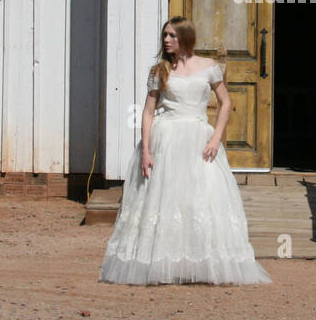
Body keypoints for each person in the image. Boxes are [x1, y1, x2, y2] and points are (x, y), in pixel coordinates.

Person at [100, 16, 271, 285]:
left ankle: (200, 263)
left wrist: (216, 138)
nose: (166, 40)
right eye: (165, 35)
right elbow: (147, 112)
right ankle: (161, 263)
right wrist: (146, 150)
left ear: (185, 38)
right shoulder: (160, 71)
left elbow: (225, 103)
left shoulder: (209, 67)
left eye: (172, 36)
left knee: (200, 198)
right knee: (164, 200)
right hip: (165, 139)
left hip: (198, 139)